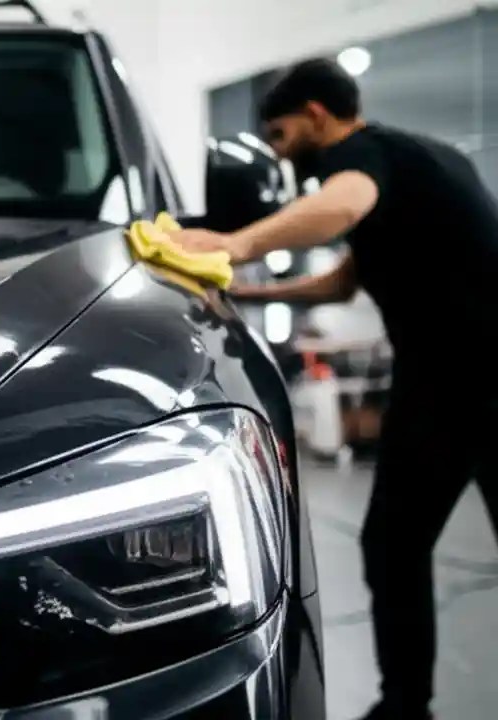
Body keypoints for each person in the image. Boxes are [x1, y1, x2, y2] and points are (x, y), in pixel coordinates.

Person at [172, 57, 498, 720]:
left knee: (392, 544)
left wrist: (231, 246)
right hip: (484, 369)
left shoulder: (357, 156)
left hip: (455, 377)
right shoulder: (421, 159)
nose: (284, 157)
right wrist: (253, 292)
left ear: (316, 115)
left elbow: (344, 203)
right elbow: (346, 279)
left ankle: (404, 707)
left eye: (284, 136)